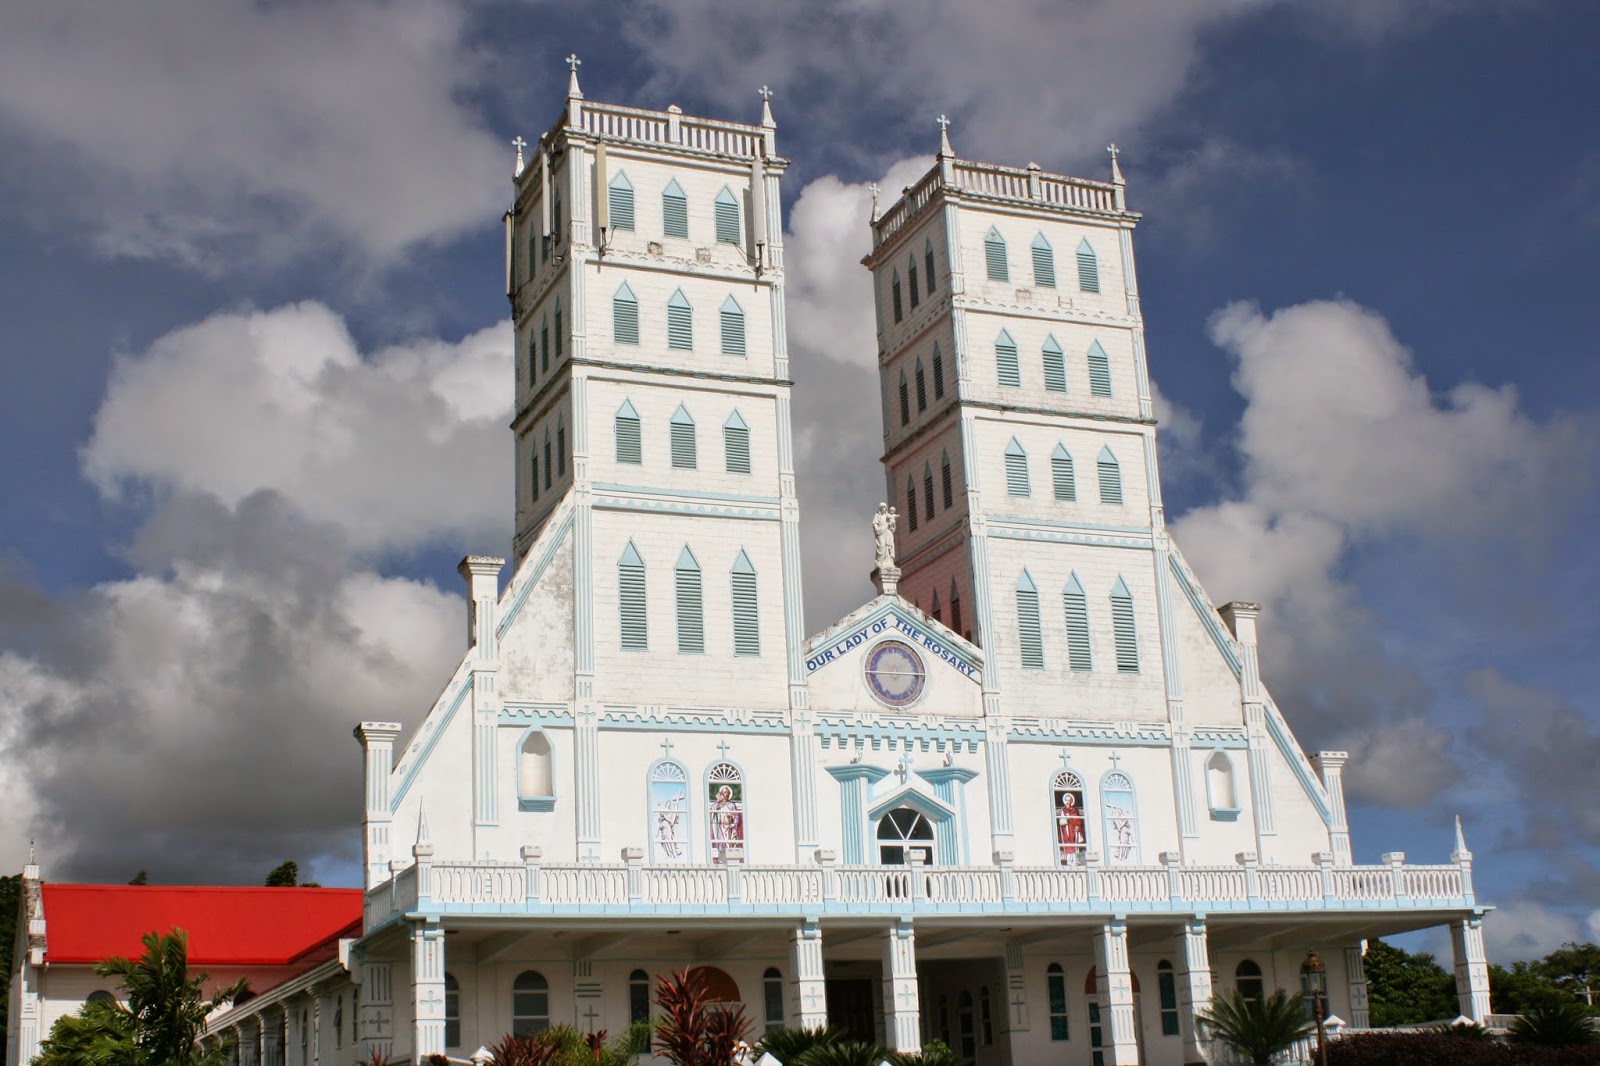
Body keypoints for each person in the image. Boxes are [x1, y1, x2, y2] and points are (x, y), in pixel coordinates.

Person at [709, 784, 744, 859]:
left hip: (729, 827)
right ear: (721, 794)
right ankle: (722, 857)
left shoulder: (731, 805)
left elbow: (736, 815)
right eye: (725, 792)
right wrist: (718, 802)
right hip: (721, 827)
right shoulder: (719, 804)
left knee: (729, 842)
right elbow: (713, 809)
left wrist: (734, 824)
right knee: (721, 842)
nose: (726, 794)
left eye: (728, 792)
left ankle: (730, 857)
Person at [1056, 791, 1086, 865]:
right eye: (1066, 800)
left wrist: (1077, 826)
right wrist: (1067, 819)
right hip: (1066, 831)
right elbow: (1061, 822)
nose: (1067, 802)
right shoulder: (1063, 811)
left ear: (1071, 801)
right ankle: (1069, 861)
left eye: (1069, 800)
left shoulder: (1075, 810)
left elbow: (1078, 820)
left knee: (1075, 845)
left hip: (1074, 831)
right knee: (1068, 846)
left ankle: (1075, 860)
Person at [872, 502, 898, 571]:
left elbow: (892, 524)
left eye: (885, 508)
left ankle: (889, 562)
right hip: (881, 533)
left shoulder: (887, 515)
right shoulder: (877, 515)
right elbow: (875, 523)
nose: (884, 509)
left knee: (888, 546)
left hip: (887, 532)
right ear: (880, 509)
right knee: (882, 546)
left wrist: (892, 523)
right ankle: (879, 562)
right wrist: (876, 528)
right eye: (882, 508)